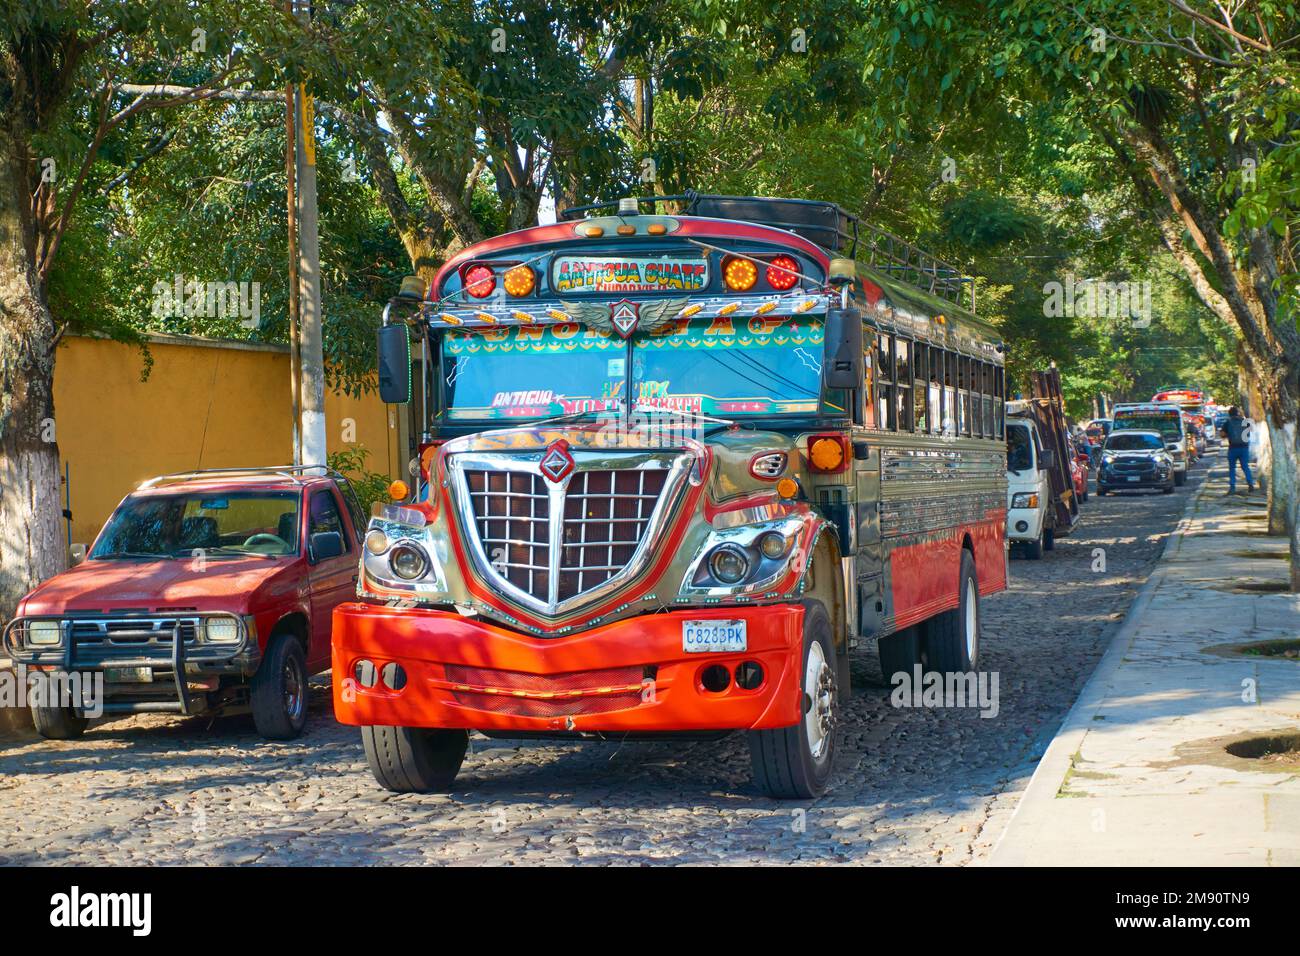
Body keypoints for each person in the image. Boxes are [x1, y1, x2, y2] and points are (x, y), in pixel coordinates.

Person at [1219, 406, 1255, 494]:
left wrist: (1228, 435)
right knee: (1245, 466)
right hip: (1244, 448)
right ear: (1237, 413)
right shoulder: (1244, 421)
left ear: (1229, 414)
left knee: (1232, 468)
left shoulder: (1228, 423)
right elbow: (1251, 431)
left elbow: (1222, 434)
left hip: (1233, 448)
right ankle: (1250, 484)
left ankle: (1232, 487)